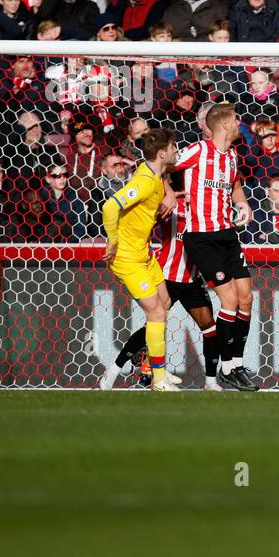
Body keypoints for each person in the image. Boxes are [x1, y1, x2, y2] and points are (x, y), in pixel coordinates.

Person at [174, 103, 260, 392]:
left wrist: (243, 202)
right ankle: (225, 368)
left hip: (227, 234)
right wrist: (166, 196)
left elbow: (235, 185)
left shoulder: (233, 156)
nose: (239, 123)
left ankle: (236, 363)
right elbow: (162, 167)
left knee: (246, 297)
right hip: (201, 237)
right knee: (230, 301)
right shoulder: (198, 151)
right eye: (236, 119)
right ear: (224, 125)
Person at [101, 187, 222, 392]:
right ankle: (113, 371)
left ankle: (210, 382)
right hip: (166, 276)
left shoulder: (206, 206)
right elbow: (142, 224)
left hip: (192, 278)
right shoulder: (170, 204)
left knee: (210, 328)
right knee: (154, 323)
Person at [100, 128, 181, 392]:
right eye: (172, 147)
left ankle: (155, 368)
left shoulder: (153, 174)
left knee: (165, 303)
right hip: (127, 258)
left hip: (144, 254)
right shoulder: (145, 182)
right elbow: (110, 206)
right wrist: (112, 240)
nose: (176, 150)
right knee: (156, 312)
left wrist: (168, 192)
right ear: (161, 153)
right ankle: (157, 379)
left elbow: (161, 173)